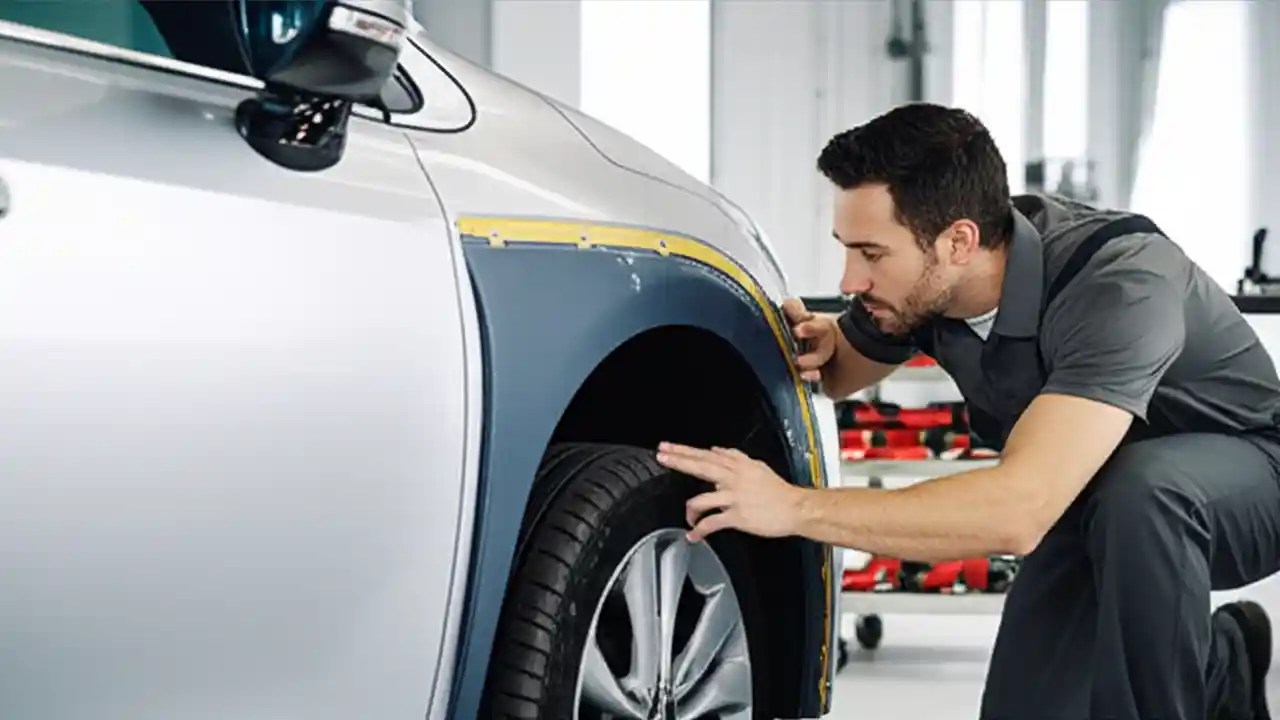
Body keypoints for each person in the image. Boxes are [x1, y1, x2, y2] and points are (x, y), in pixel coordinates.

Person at [656, 102, 1280, 720]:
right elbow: (842, 366)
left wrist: (794, 507)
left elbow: (1018, 512)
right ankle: (1221, 666)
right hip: (1085, 497)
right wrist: (815, 344)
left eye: (871, 255)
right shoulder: (928, 291)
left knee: (1144, 491)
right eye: (847, 250)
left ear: (959, 241)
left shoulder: (1119, 285)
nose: (849, 280)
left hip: (1246, 479)